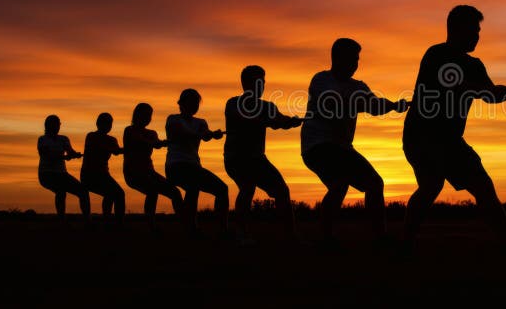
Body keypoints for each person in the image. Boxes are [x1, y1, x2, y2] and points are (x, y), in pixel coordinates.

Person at [402, 5, 506, 250]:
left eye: (478, 31)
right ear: (455, 29)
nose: (477, 36)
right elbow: (462, 87)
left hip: (450, 140)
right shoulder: (436, 55)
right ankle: (405, 242)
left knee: (483, 186)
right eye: (473, 30)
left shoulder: (475, 64)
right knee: (432, 185)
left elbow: (490, 96)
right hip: (422, 136)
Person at [301, 38, 408, 248]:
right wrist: (364, 102)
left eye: (357, 60)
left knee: (372, 184)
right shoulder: (321, 80)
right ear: (337, 59)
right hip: (317, 146)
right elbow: (331, 101)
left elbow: (374, 106)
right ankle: (329, 238)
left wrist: (394, 106)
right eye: (351, 59)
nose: (355, 64)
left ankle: (377, 236)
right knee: (341, 184)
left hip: (341, 148)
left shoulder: (358, 86)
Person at [225, 65, 303, 244]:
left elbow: (279, 119)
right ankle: (241, 234)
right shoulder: (233, 103)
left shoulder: (268, 106)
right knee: (247, 187)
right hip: (236, 158)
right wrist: (271, 121)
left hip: (258, 159)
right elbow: (247, 118)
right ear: (245, 83)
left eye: (263, 82)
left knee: (282, 191)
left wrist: (289, 121)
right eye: (257, 81)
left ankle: (291, 236)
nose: (261, 85)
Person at [165, 88, 228, 237]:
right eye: (191, 102)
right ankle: (201, 228)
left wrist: (212, 134)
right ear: (181, 103)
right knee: (200, 189)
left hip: (192, 166)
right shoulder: (173, 119)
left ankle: (195, 229)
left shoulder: (201, 122)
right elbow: (185, 132)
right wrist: (206, 134)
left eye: (197, 103)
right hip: (176, 166)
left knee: (203, 189)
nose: (194, 105)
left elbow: (205, 135)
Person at [123, 102, 184, 233]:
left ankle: (185, 224)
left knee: (175, 192)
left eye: (149, 115)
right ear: (137, 115)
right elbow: (141, 140)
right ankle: (152, 227)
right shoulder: (129, 130)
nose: (147, 118)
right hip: (133, 173)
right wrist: (157, 143)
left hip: (149, 172)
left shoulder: (152, 133)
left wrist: (161, 143)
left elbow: (155, 143)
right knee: (152, 191)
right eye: (144, 115)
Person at [37, 115, 91, 227]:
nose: (56, 126)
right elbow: (45, 154)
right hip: (46, 174)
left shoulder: (64, 139)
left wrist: (74, 154)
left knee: (83, 191)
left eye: (58, 124)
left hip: (62, 174)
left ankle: (87, 221)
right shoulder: (42, 140)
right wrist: (63, 157)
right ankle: (62, 221)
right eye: (54, 124)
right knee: (60, 191)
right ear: (47, 126)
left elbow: (70, 151)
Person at [81, 112, 126, 229]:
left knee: (117, 193)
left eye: (109, 123)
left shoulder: (112, 139)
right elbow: (99, 148)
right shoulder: (91, 136)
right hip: (89, 174)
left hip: (103, 174)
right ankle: (110, 222)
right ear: (98, 123)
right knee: (113, 193)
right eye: (104, 123)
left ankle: (115, 223)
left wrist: (130, 149)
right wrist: (115, 150)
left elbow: (117, 151)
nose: (107, 125)